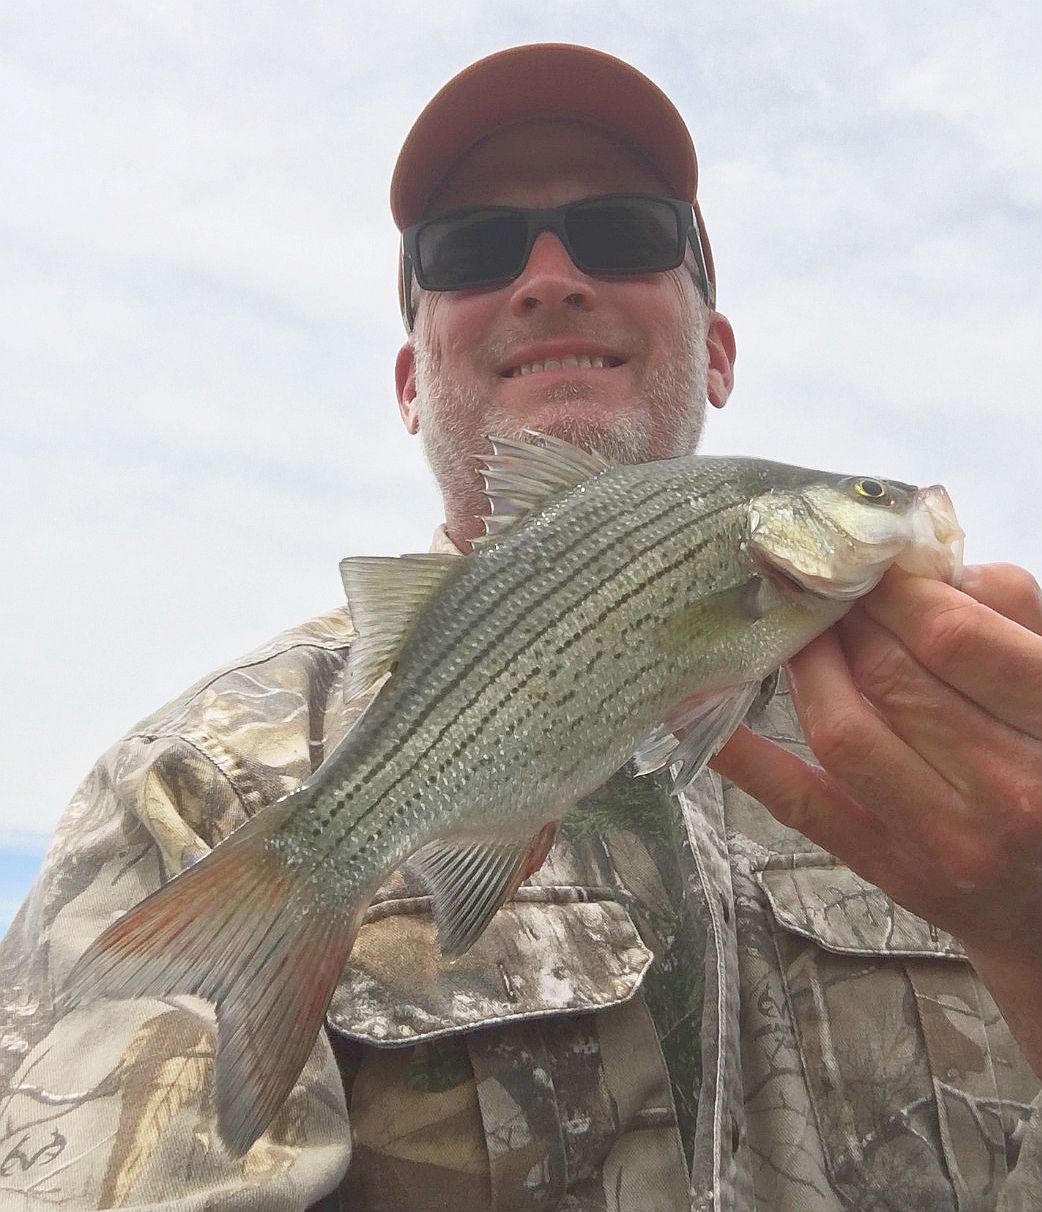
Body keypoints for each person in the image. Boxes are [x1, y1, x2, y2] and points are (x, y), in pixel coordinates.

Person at [2, 42, 1041, 1212]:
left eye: (624, 231)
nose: (548, 279)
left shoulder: (989, 769)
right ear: (409, 381)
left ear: (718, 352)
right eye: (472, 252)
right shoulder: (195, 794)